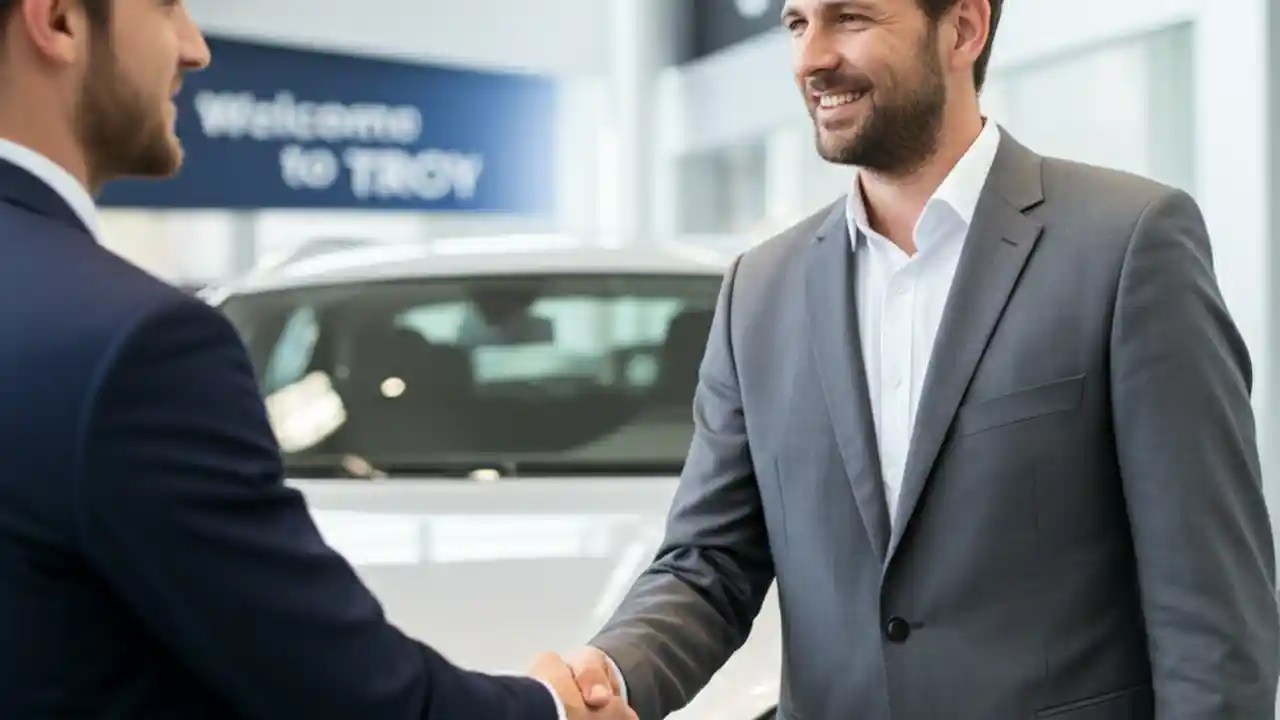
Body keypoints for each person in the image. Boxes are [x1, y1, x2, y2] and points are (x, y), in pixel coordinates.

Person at [565, 0, 1280, 718]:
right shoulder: (759, 291)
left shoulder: (1127, 245)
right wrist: (611, 673)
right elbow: (708, 563)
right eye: (796, 23)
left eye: (849, 18)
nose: (811, 58)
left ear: (963, 29)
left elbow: (1210, 606)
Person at [0, 1, 635, 718]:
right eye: (167, 6)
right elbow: (349, 697)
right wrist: (551, 706)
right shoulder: (137, 344)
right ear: (57, 20)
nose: (195, 48)